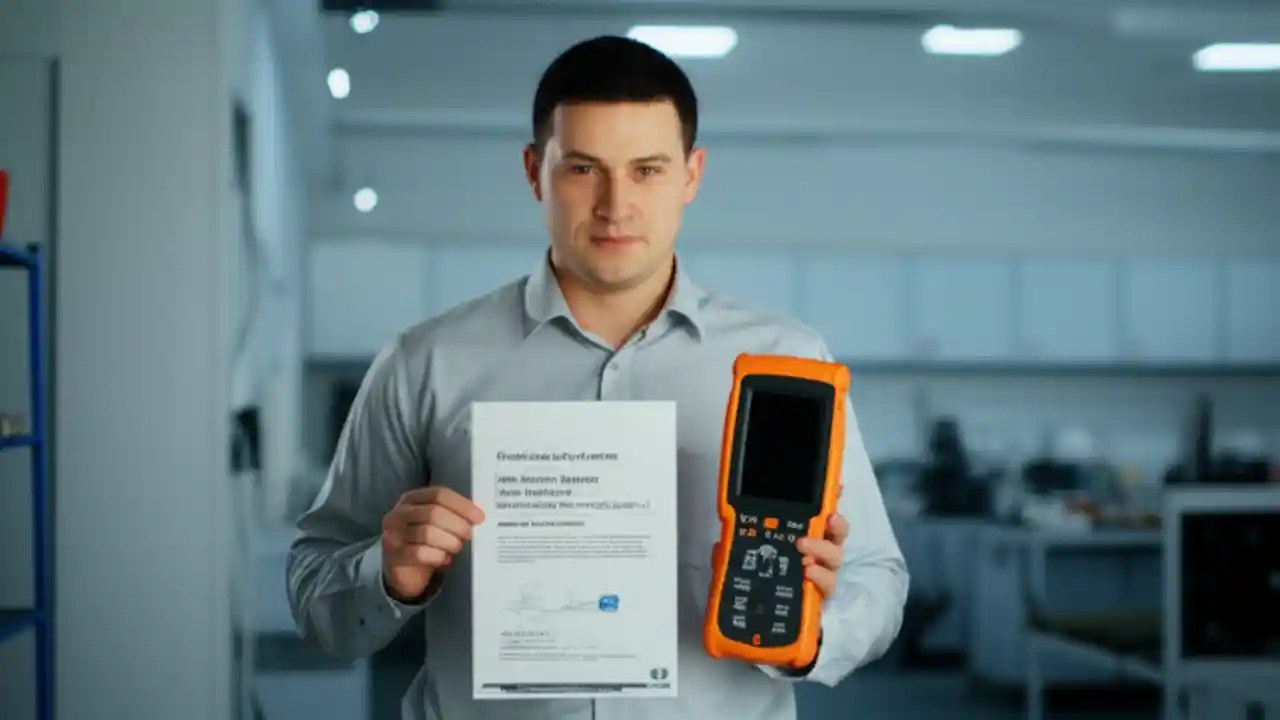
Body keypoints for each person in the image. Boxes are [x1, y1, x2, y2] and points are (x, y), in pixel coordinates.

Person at [287, 34, 909, 720]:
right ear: (534, 171)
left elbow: (877, 577)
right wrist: (389, 575)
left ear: (692, 175)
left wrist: (813, 637)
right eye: (584, 169)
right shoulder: (424, 362)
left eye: (647, 170)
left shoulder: (792, 365)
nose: (616, 205)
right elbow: (316, 590)